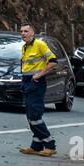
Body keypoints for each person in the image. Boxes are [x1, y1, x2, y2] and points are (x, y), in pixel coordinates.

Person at [18, 23, 57, 156]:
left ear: (32, 33)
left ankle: (50, 144)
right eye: (21, 31)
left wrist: (39, 74)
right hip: (27, 82)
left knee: (35, 116)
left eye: (26, 31)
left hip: (37, 82)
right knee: (30, 116)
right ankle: (36, 146)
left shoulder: (40, 44)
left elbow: (53, 61)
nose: (23, 33)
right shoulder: (25, 47)